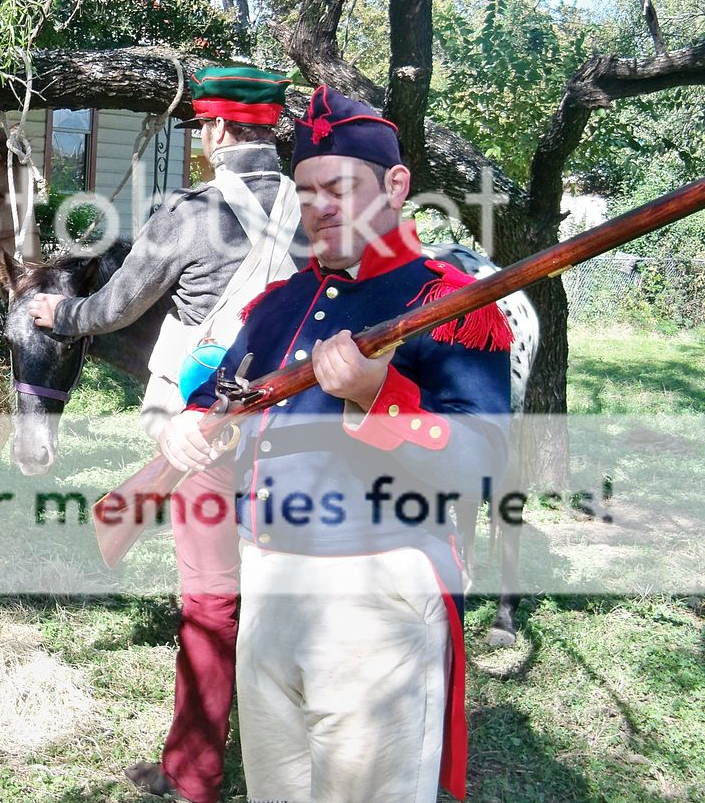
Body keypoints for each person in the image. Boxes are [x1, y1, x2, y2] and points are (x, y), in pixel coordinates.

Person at [164, 84, 512, 803]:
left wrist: (377, 396)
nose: (319, 205)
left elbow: (479, 465)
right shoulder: (282, 304)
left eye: (340, 187)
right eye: (308, 188)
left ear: (394, 185)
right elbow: (220, 399)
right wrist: (186, 422)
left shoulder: (446, 304)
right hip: (267, 588)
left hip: (376, 600)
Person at [28, 64, 304, 803]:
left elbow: (116, 306)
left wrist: (63, 317)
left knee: (211, 604)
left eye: (202, 130)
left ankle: (194, 772)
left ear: (214, 132)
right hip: (309, 434)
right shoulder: (328, 211)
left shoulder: (190, 213)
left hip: (211, 431)